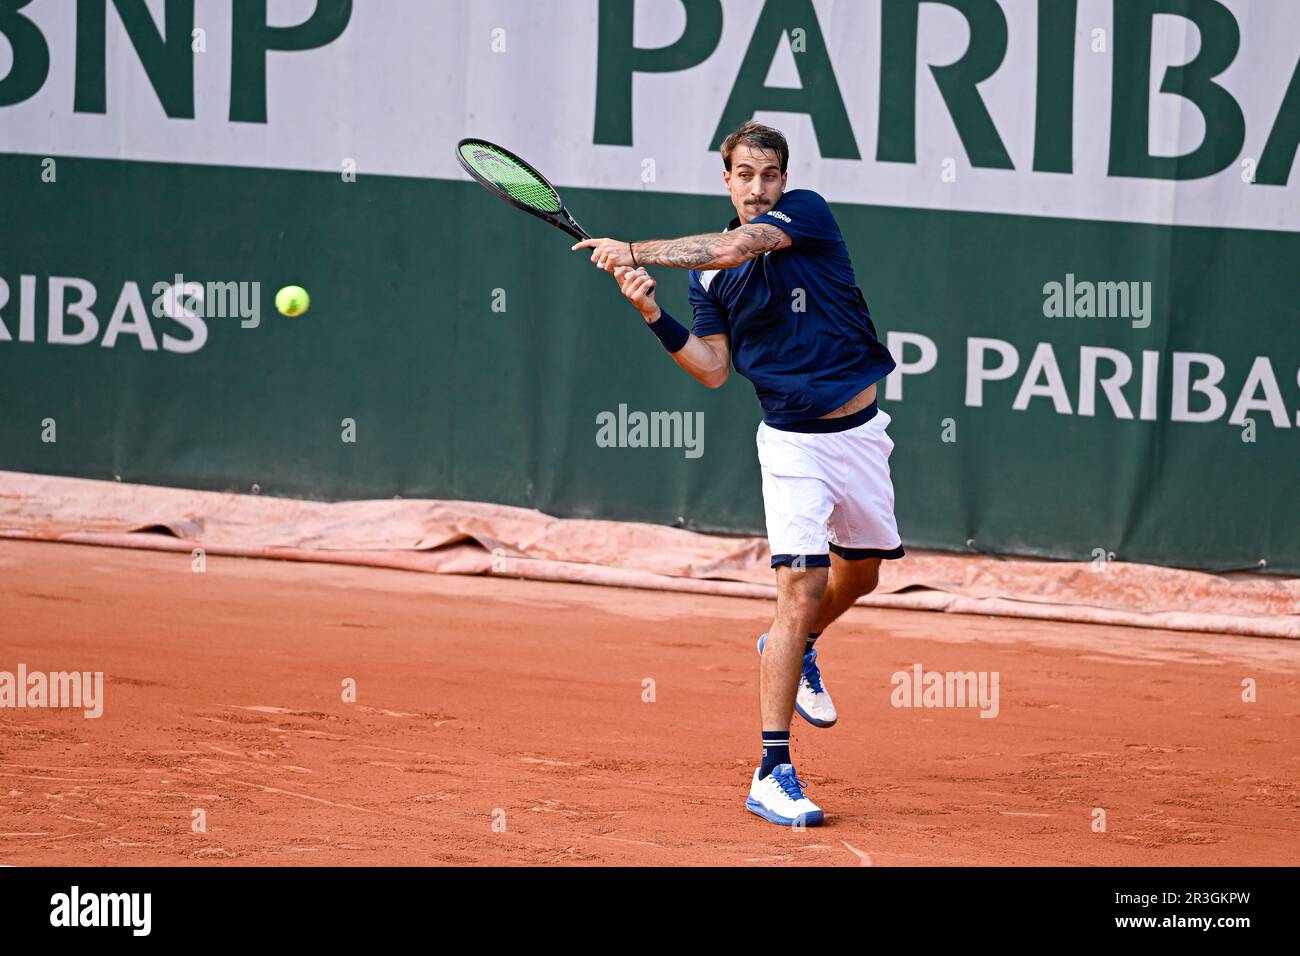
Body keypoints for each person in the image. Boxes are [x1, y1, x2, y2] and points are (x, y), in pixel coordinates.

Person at [573, 122, 903, 826]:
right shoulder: (704, 280)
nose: (757, 187)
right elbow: (714, 370)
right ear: (726, 179)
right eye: (744, 174)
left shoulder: (805, 216)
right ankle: (772, 770)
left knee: (865, 573)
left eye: (769, 174)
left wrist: (633, 251)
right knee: (799, 587)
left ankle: (800, 643)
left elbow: (733, 245)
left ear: (784, 180)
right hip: (791, 445)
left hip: (861, 433)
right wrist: (653, 312)